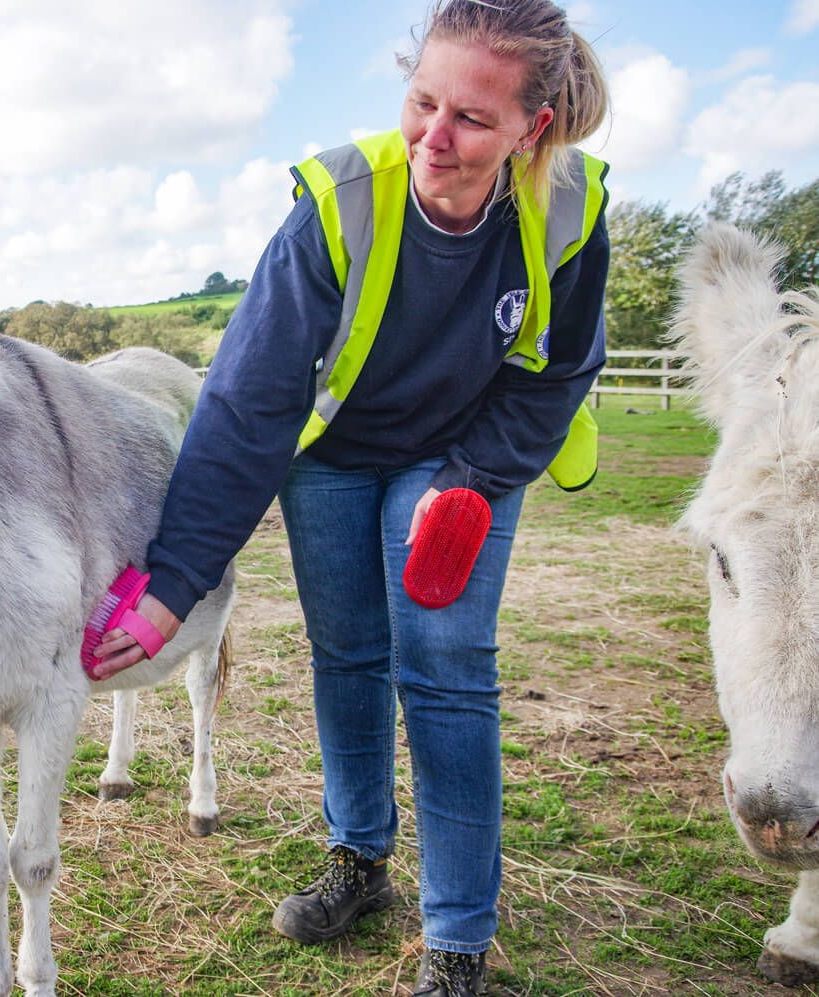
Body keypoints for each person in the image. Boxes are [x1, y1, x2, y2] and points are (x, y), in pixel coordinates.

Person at [90, 1, 611, 993]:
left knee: (446, 663)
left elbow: (555, 372)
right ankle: (359, 861)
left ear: (531, 129)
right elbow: (246, 407)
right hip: (331, 453)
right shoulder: (340, 203)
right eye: (423, 103)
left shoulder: (569, 209)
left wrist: (468, 484)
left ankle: (456, 938)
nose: (435, 138)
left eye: (472, 119)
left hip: (464, 457)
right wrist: (172, 583)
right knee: (350, 655)